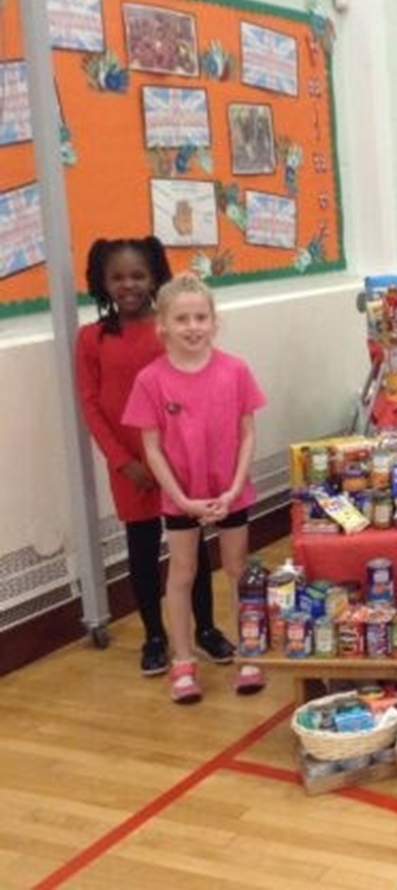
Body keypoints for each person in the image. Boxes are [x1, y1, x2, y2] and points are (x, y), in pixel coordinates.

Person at [75, 237, 236, 677]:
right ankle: (155, 636)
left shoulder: (170, 327)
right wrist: (121, 460)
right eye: (118, 277)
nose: (128, 285)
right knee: (143, 550)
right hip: (131, 466)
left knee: (191, 552)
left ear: (154, 278)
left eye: (138, 275)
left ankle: (205, 629)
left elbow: (197, 384)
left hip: (180, 462)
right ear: (102, 282)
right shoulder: (91, 338)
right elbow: (90, 403)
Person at [123, 273, 268, 704]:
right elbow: (151, 447)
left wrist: (235, 486)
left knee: (238, 571)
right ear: (163, 325)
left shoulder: (236, 370)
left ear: (214, 321)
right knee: (183, 573)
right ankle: (183, 661)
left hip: (231, 492)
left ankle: (249, 652)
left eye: (200, 317)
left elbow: (247, 434)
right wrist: (182, 498)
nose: (192, 326)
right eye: (182, 318)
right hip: (181, 497)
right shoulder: (151, 380)